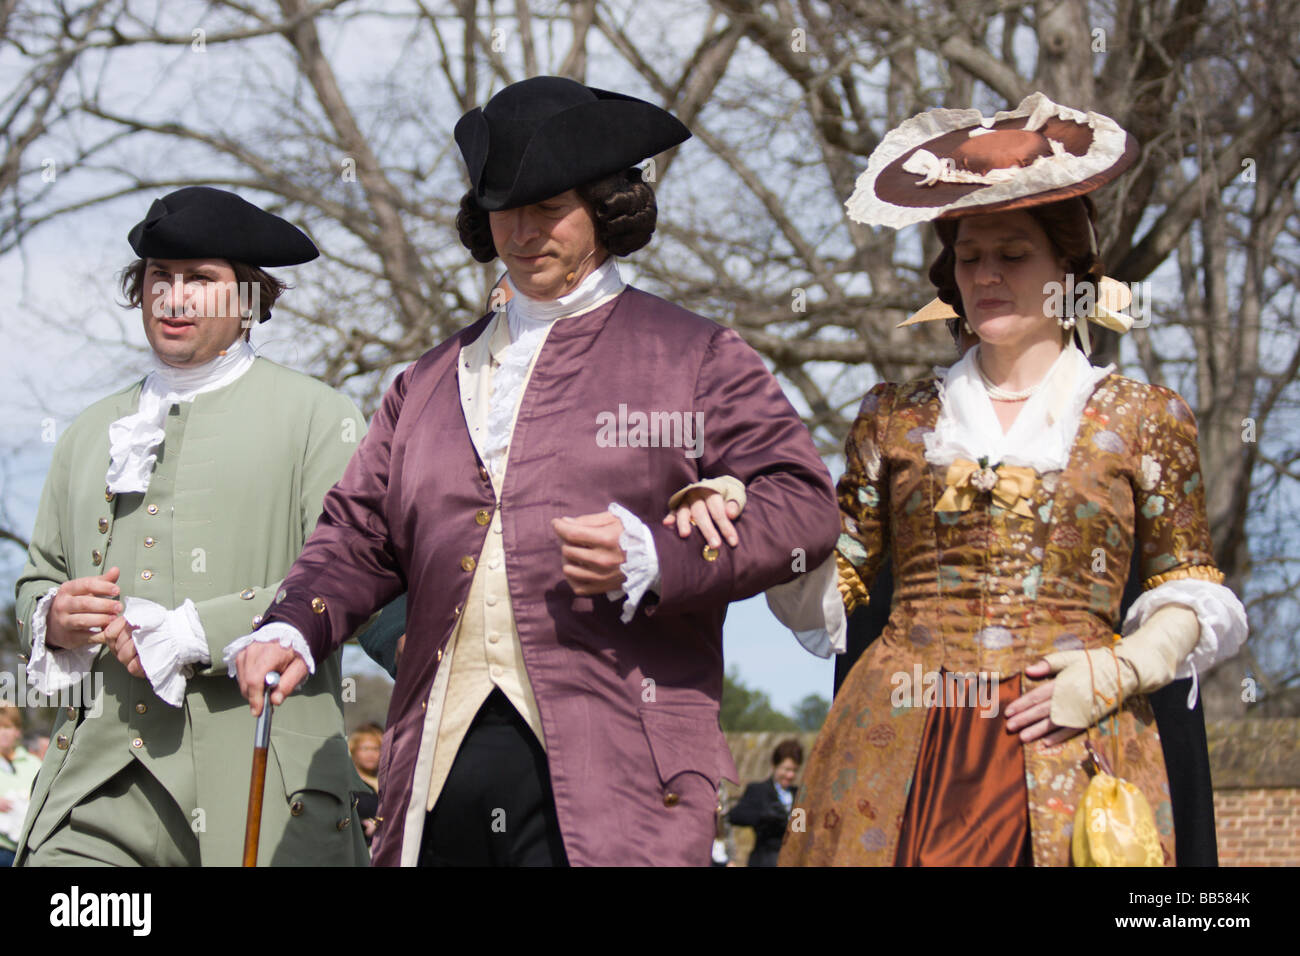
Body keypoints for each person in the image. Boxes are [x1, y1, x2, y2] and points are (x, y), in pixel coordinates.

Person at [229, 75, 841, 867]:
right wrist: (293, 622)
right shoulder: (425, 380)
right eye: (504, 207)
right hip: (441, 761)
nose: (523, 230)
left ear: (605, 207)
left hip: (624, 759)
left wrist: (660, 555)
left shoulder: (696, 356)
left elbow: (802, 504)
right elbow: (359, 530)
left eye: (549, 206)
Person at [688, 95, 1247, 866]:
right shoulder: (897, 417)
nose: (985, 274)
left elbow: (1189, 583)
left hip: (1076, 736)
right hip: (902, 748)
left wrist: (1122, 667)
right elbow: (833, 595)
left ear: (1069, 271)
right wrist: (755, 523)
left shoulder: (1143, 418)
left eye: (1012, 255)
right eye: (968, 255)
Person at [13, 187, 369, 866]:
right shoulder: (88, 432)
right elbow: (39, 577)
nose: (174, 299)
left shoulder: (321, 417)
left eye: (201, 280)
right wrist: (55, 615)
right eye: (159, 280)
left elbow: (348, 571)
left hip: (261, 785)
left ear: (248, 300)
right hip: (94, 790)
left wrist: (199, 630)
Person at [727, 738, 802, 867]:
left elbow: (800, 830)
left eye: (794, 770)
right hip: (764, 859)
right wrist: (763, 815)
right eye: (786, 769)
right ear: (774, 765)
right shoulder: (758, 790)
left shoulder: (799, 795)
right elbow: (735, 816)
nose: (790, 775)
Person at [0, 706, 40, 866]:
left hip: (27, 850)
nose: (3, 732)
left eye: (8, 727)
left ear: (17, 731)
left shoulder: (33, 763)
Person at [349, 723, 383, 847]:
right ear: (354, 750)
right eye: (365, 749)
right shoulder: (348, 784)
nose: (371, 754)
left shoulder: (389, 783)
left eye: (376, 749)